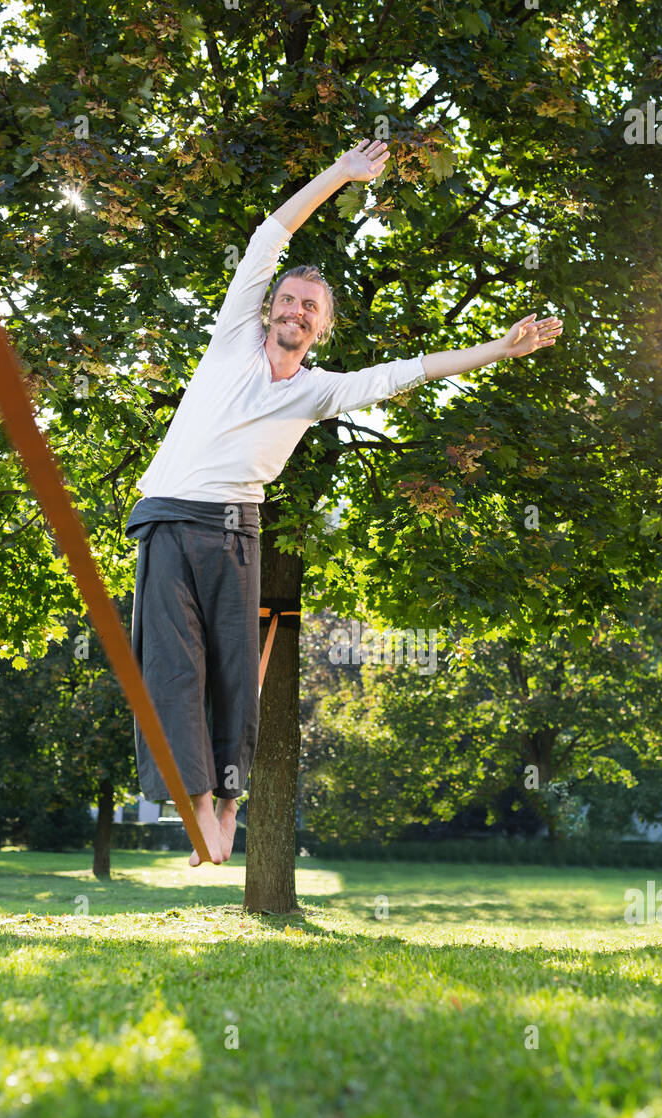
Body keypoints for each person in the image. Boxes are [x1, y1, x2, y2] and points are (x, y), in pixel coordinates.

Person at [125, 138, 563, 866]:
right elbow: (272, 236)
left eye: (311, 307)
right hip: (170, 517)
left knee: (235, 669)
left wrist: (494, 349)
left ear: (322, 328)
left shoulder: (321, 389)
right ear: (270, 309)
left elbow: (407, 373)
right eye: (289, 299)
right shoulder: (233, 337)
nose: (295, 309)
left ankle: (230, 795)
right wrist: (341, 174)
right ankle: (195, 801)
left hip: (236, 528)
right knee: (172, 664)